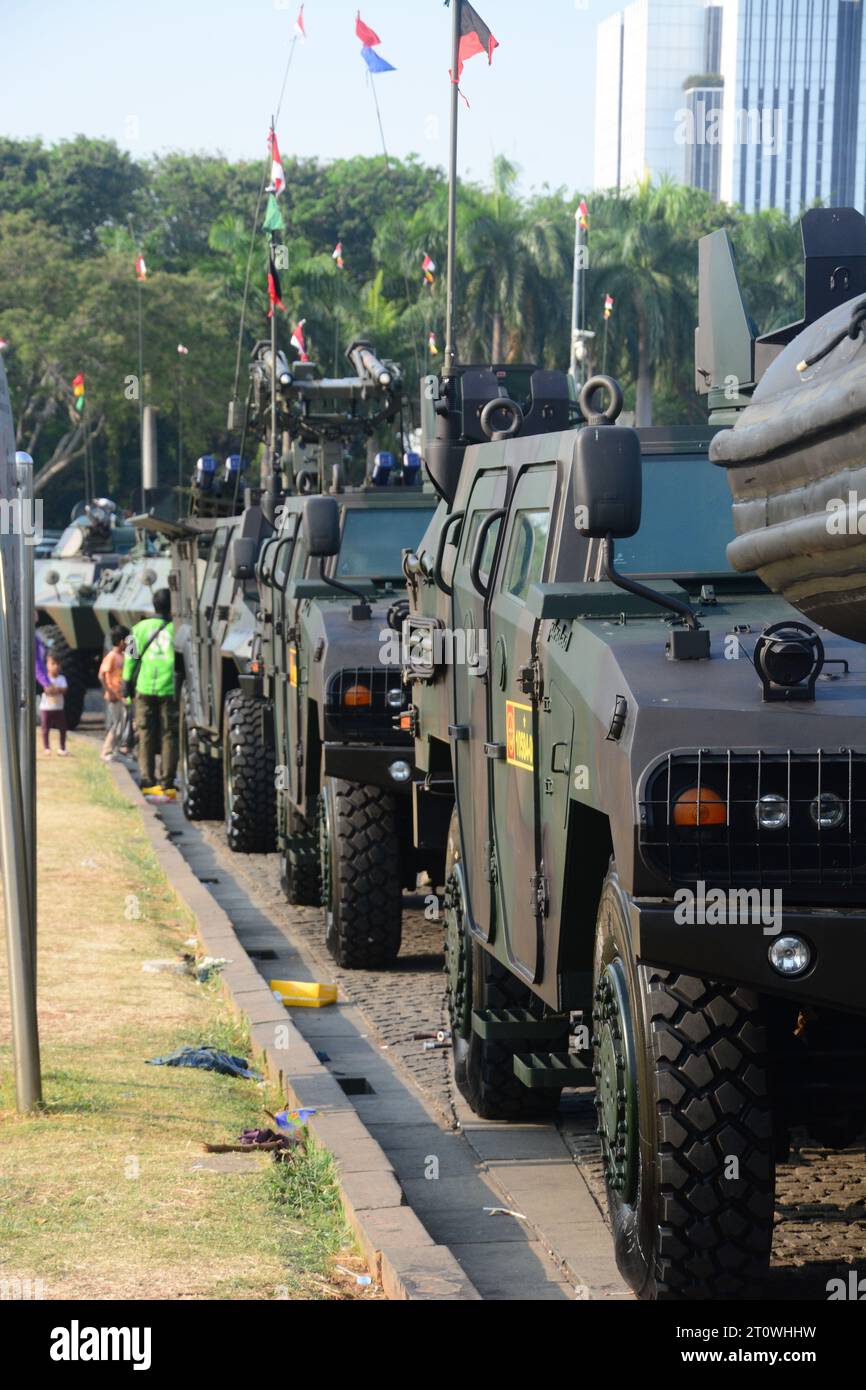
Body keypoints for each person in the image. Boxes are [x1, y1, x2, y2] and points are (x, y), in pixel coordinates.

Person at [122, 588, 178, 796]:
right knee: (169, 734)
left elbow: (130, 658)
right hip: (170, 688)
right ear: (171, 606)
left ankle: (147, 780)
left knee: (145, 733)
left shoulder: (137, 629)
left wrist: (126, 681)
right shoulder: (176, 629)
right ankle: (167, 781)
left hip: (145, 686)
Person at [98, 624, 129, 762]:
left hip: (121, 696)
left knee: (121, 725)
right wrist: (109, 690)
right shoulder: (111, 656)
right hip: (114, 696)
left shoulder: (123, 656)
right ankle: (106, 751)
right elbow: (102, 675)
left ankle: (114, 751)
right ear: (122, 642)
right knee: (115, 726)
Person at [40, 653, 69, 756]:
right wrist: (57, 689)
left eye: (57, 664)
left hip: (58, 708)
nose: (55, 666)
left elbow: (64, 690)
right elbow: (47, 690)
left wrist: (54, 689)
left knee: (62, 728)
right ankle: (46, 747)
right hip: (46, 708)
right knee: (45, 728)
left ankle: (62, 748)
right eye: (53, 663)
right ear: (47, 665)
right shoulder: (44, 678)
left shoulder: (62, 678)